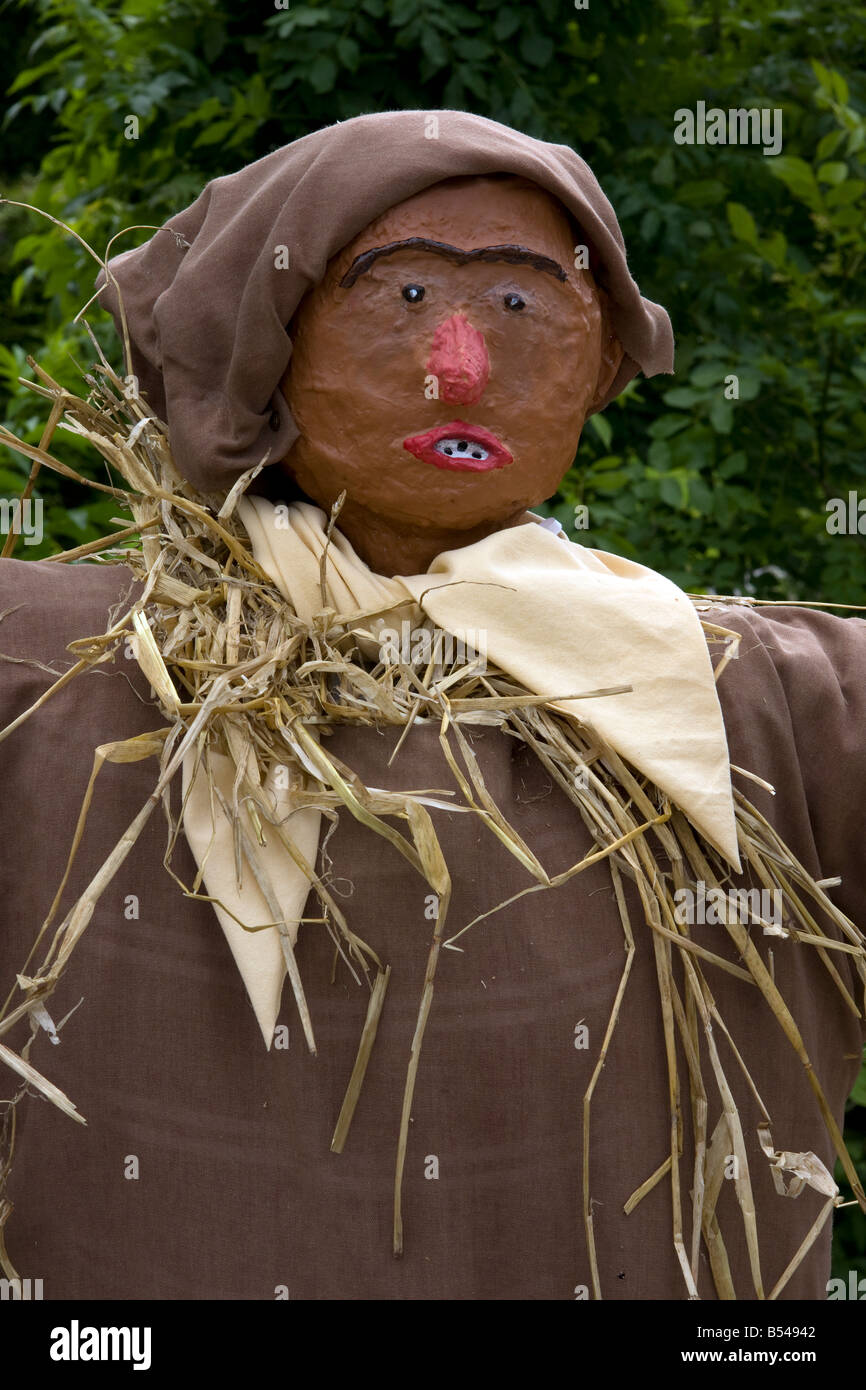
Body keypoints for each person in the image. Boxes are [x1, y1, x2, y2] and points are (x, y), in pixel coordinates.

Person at [0, 110, 863, 1301]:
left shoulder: (777, 705)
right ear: (260, 349)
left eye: (519, 306)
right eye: (399, 296)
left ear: (597, 359)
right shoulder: (51, 667)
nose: (459, 363)